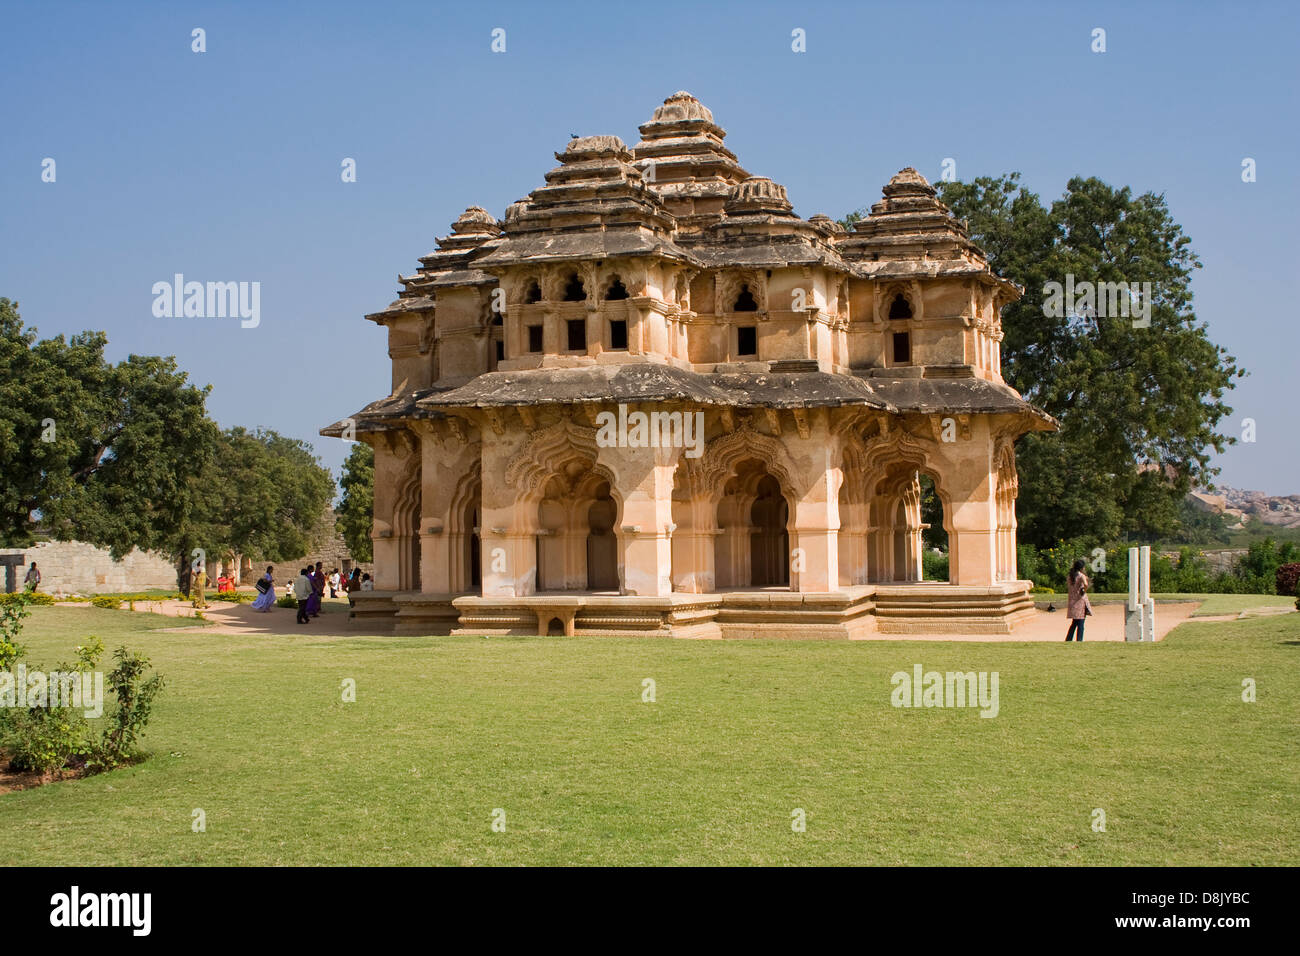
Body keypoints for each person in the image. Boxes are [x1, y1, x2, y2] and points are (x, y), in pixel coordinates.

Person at [1066, 559, 1091, 642]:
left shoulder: (1070, 576)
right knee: (1081, 622)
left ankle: (1069, 639)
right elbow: (1086, 584)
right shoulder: (1081, 575)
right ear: (1081, 568)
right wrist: (1084, 589)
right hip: (1080, 600)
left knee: (1074, 623)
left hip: (1072, 600)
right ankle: (1079, 640)